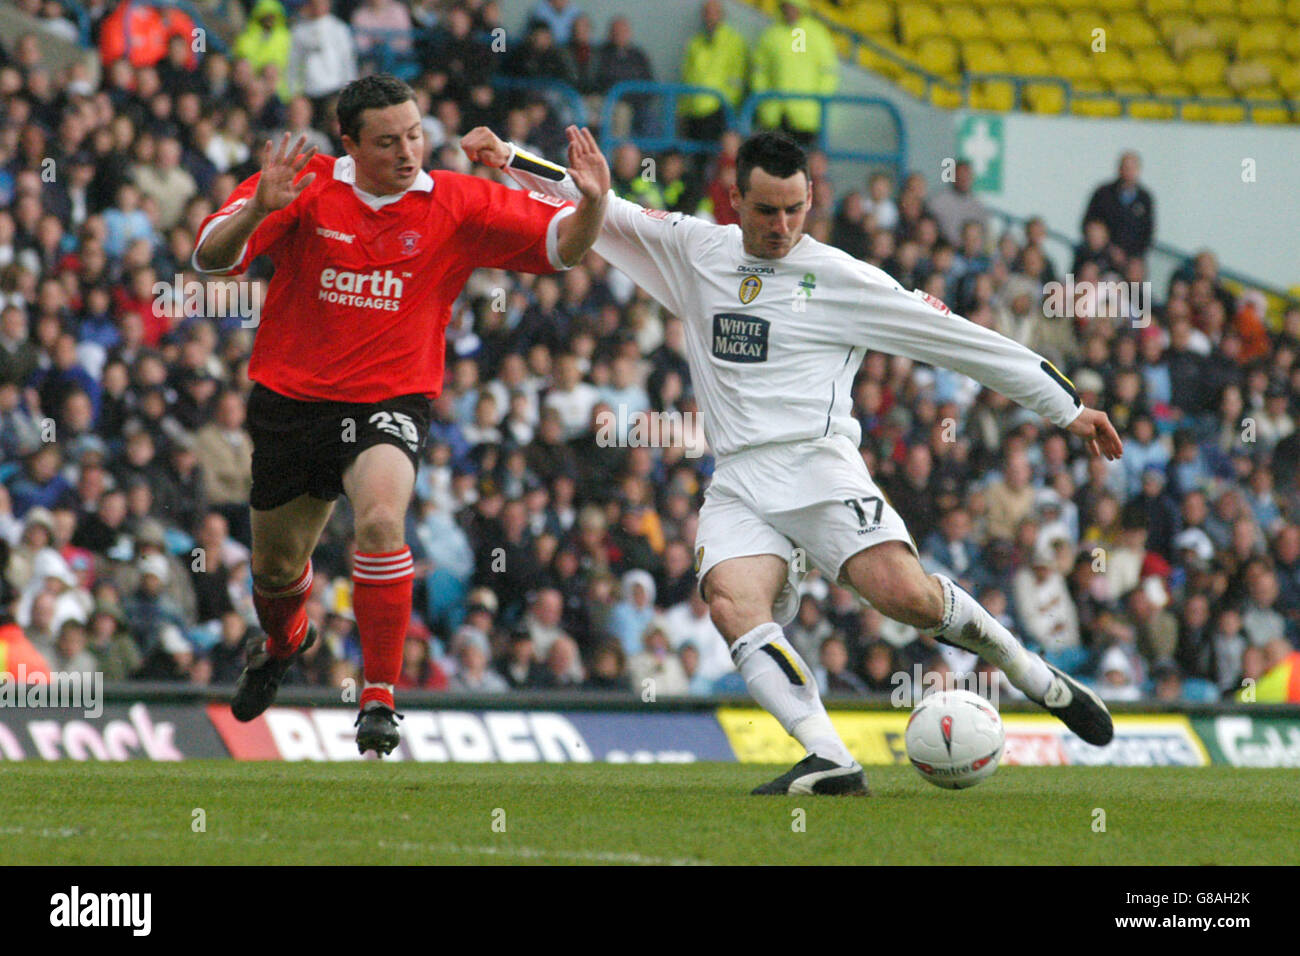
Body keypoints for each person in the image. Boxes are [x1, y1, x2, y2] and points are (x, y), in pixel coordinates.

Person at [463, 125, 1121, 795]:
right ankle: (831, 758)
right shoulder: (696, 248)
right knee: (730, 600)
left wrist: (1066, 408)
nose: (781, 225)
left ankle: (1027, 671)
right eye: (766, 209)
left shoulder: (842, 279)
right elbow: (603, 202)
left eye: (795, 209)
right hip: (739, 478)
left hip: (818, 466)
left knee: (909, 598)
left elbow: (959, 340)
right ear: (734, 200)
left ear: (811, 201)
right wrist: (512, 159)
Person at [191, 74, 609, 755]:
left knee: (383, 520)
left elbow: (566, 246)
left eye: (415, 135)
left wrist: (591, 202)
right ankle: (285, 639)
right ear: (351, 144)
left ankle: (379, 697)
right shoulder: (308, 184)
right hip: (292, 404)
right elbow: (210, 258)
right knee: (274, 570)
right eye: (388, 142)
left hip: (390, 400)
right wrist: (252, 212)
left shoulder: (456, 200)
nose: (408, 152)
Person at [750, 0, 838, 146]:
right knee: (775, 163)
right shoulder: (771, 35)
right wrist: (764, 101)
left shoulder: (817, 34)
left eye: (793, 5)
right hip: (775, 114)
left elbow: (828, 72)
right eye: (787, 5)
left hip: (806, 117)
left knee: (801, 162)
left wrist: (819, 101)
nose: (790, 9)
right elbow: (759, 72)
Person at [680, 0, 747, 145]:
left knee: (715, 155)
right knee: (694, 156)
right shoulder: (695, 42)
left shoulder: (733, 41)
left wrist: (726, 105)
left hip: (718, 111)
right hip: (694, 110)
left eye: (714, 13)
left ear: (722, 15)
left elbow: (737, 78)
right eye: (707, 13)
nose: (710, 17)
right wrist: (683, 109)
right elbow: (687, 77)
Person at [1082, 150, 1155, 261]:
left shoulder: (1145, 199)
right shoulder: (1103, 193)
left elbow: (1148, 232)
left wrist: (1133, 256)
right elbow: (1089, 223)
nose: (1128, 172)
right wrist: (1109, 249)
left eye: (1132, 168)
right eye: (1126, 168)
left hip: (1132, 259)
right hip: (1101, 256)